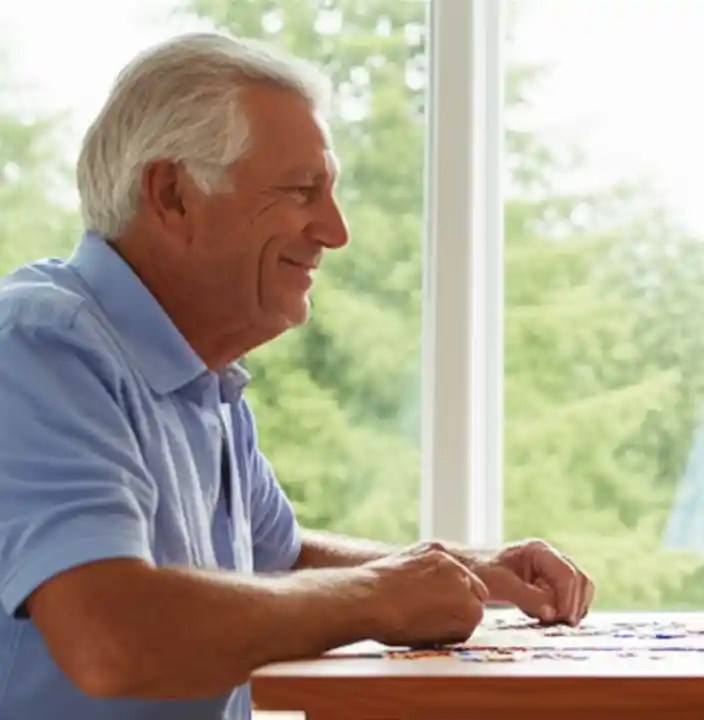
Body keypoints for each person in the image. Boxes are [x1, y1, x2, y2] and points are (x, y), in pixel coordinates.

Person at [0, 32, 594, 719]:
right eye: (302, 191)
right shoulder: (40, 345)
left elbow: (276, 559)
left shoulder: (206, 376)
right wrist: (380, 597)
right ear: (173, 195)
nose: (336, 231)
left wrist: (465, 569)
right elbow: (111, 637)